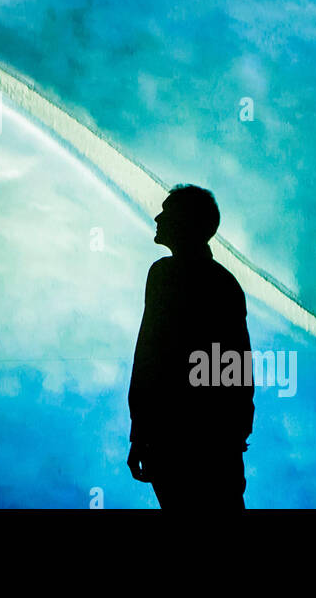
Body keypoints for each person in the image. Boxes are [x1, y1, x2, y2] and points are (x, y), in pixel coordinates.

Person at [126, 184, 254, 510]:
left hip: (192, 442)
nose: (157, 217)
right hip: (188, 441)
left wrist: (140, 431)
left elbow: (149, 357)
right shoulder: (213, 282)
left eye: (167, 213)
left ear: (186, 223)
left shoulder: (184, 279)